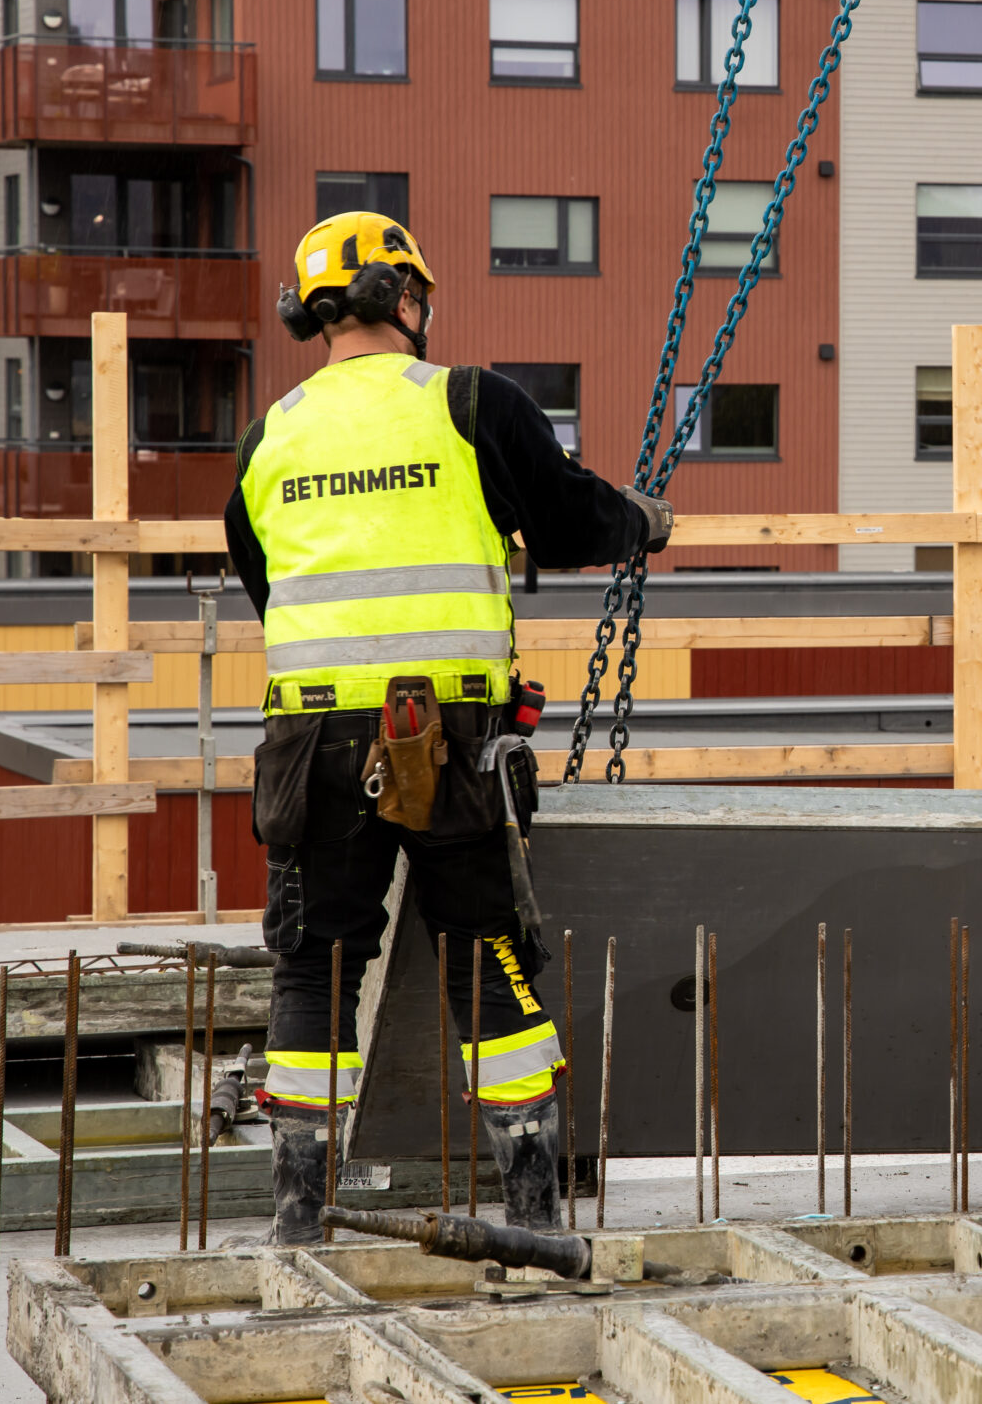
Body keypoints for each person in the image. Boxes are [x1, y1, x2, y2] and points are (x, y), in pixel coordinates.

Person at [226, 211, 670, 1241]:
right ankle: (529, 1212)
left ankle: (299, 1214)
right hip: (452, 740)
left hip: (309, 750)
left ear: (317, 314)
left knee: (314, 965)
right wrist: (641, 522)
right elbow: (562, 521)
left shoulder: (267, 439)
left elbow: (270, 589)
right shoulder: (469, 400)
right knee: (486, 953)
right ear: (407, 299)